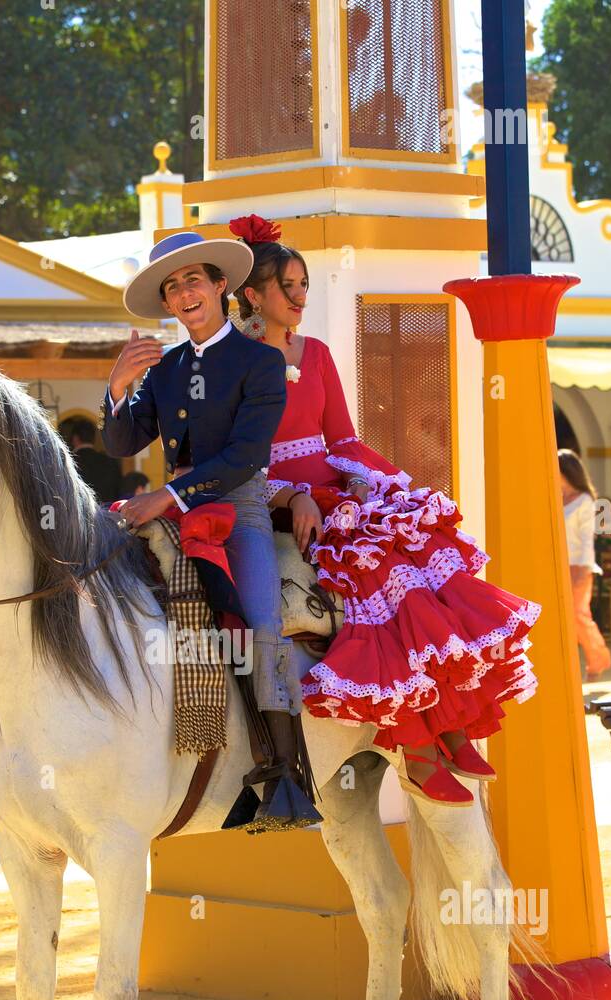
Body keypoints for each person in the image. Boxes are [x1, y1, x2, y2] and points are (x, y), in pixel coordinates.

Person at [229, 215, 541, 807]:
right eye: (286, 287)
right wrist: (289, 497)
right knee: (374, 578)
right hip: (275, 502)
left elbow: (341, 439)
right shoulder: (232, 363)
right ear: (252, 294)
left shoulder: (316, 354)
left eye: (303, 286)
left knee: (424, 557)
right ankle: (420, 753)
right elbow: (234, 461)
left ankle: (454, 722)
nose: (299, 297)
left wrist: (377, 482)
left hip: (333, 492)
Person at [101, 227, 321, 831]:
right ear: (169, 304)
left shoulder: (260, 362)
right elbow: (122, 440)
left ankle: (284, 778)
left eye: (193, 279)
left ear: (221, 287)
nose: (183, 292)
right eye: (172, 287)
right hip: (172, 514)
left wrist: (167, 494)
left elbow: (248, 455)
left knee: (263, 624)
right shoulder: (167, 368)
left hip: (241, 512)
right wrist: (117, 390)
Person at [559, 448, 611, 680]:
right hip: (559, 566)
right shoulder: (555, 496)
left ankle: (597, 660)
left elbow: (587, 539)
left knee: (578, 616)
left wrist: (582, 570)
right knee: (564, 616)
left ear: (567, 472)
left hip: (579, 567)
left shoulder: (584, 500)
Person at [68, 417, 124, 505]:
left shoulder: (69, 463)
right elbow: (118, 490)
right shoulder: (110, 461)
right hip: (106, 513)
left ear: (75, 438)